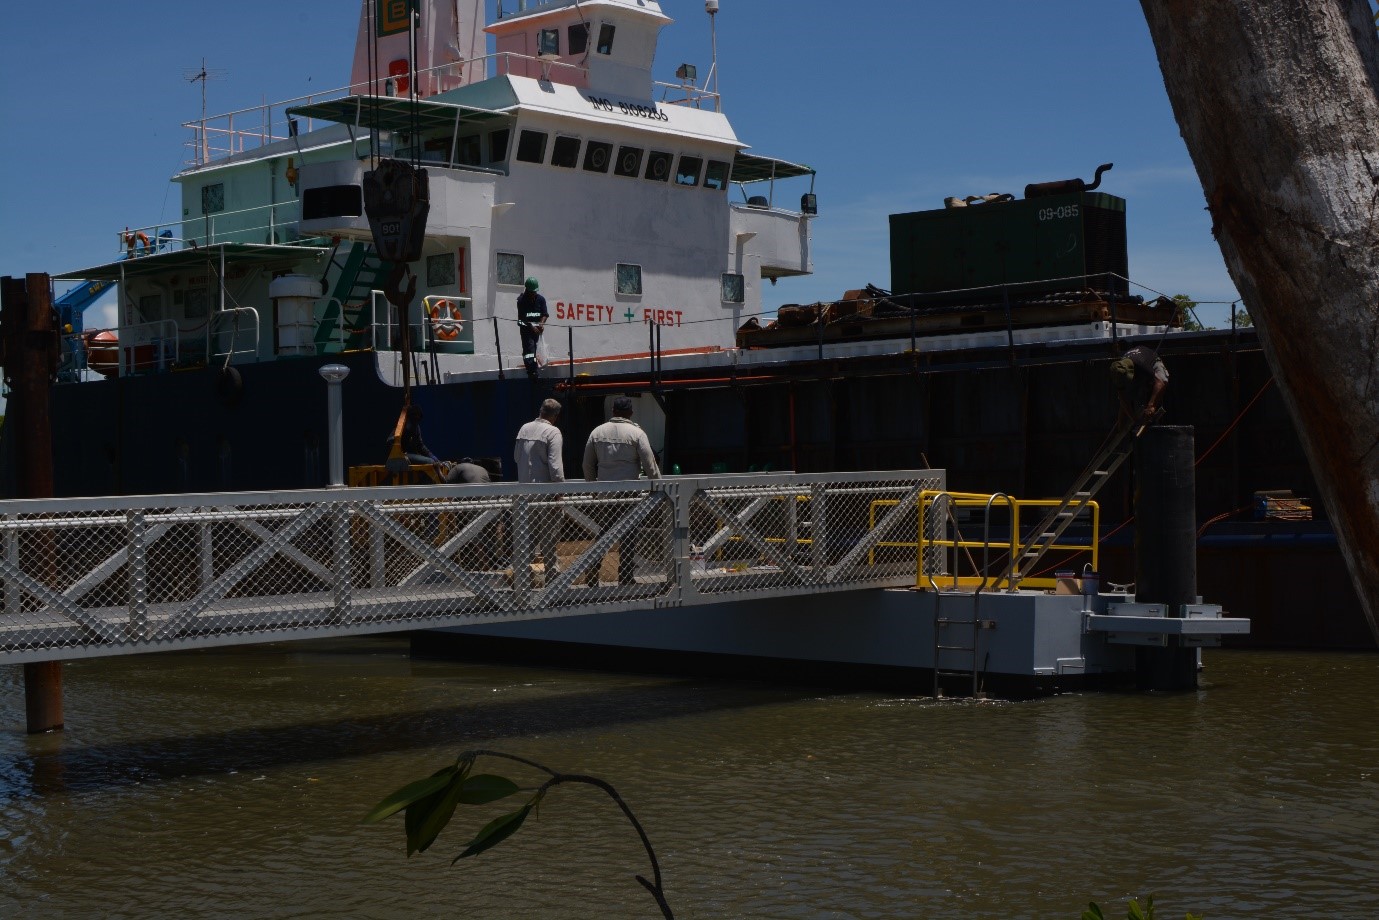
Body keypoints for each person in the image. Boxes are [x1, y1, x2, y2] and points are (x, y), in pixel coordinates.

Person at [583, 395, 660, 585]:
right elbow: (650, 464)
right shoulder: (637, 433)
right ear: (631, 412)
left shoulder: (597, 432)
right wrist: (657, 487)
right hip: (629, 493)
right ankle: (625, 575)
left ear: (613, 411)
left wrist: (593, 488)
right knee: (629, 533)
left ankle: (593, 569)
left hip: (606, 493)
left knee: (606, 532)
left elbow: (587, 464)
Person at [514, 398, 565, 573]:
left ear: (540, 411)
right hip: (546, 493)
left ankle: (519, 572)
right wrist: (559, 491)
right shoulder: (553, 432)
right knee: (549, 536)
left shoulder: (524, 428)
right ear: (556, 416)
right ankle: (552, 574)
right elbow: (555, 466)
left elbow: (516, 457)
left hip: (525, 492)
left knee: (528, 537)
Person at [1110, 344, 1169, 423]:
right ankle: (1122, 424)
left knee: (1163, 379)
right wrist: (1133, 419)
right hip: (1136, 365)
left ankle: (1151, 409)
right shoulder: (1118, 370)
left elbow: (1160, 383)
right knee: (1127, 399)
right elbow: (1122, 397)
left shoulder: (1142, 365)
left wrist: (1151, 405)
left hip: (1152, 361)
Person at [517, 276, 548, 381]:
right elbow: (522, 318)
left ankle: (537, 367)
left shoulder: (541, 300)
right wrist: (531, 327)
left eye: (535, 292)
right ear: (527, 290)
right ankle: (532, 372)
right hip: (526, 329)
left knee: (536, 349)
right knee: (529, 349)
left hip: (537, 330)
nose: (534, 294)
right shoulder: (521, 301)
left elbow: (545, 314)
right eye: (532, 292)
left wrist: (541, 324)